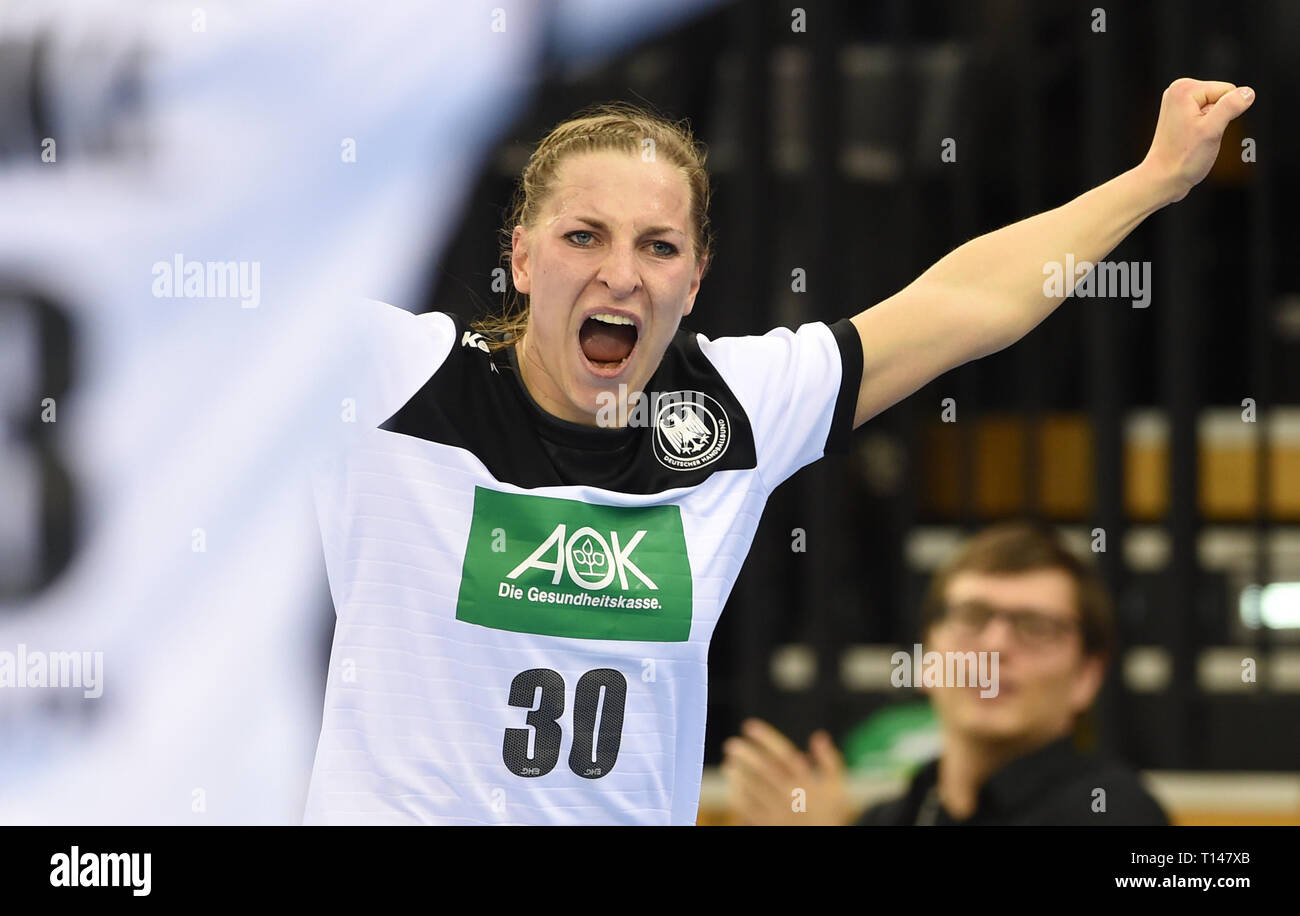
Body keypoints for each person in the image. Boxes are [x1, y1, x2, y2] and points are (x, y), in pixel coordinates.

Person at [307, 79, 1252, 824]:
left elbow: (972, 304)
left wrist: (1157, 176)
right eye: (583, 236)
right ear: (521, 258)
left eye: (659, 246)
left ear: (697, 278)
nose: (620, 273)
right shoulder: (393, 380)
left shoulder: (735, 405)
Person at [721, 522, 1169, 826]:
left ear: (1087, 677)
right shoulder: (892, 816)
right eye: (972, 617)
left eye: (1035, 627)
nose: (995, 647)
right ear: (927, 658)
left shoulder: (1115, 810)